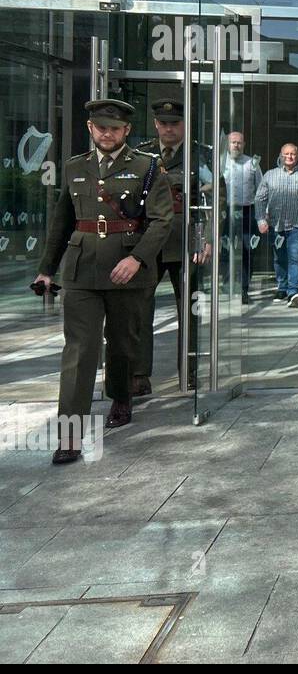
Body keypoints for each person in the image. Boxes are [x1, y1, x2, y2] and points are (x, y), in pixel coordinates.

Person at [33, 100, 173, 463]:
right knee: (79, 352)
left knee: (124, 344)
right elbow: (61, 222)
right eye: (100, 127)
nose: (106, 133)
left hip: (127, 269)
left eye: (114, 128)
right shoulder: (74, 168)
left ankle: (122, 396)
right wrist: (47, 267)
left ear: (126, 130)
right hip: (82, 271)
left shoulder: (147, 168)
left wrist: (137, 258)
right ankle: (70, 435)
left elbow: (161, 221)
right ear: (90, 128)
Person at [134, 98, 211, 394]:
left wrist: (206, 239)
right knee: (140, 311)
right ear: (155, 124)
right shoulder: (141, 156)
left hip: (186, 242)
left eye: (174, 123)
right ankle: (139, 374)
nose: (168, 129)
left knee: (189, 311)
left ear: (184, 125)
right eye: (163, 123)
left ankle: (189, 371)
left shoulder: (200, 156)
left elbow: (213, 201)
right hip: (148, 243)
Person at [254, 143, 298, 307]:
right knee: (279, 258)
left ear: (297, 157)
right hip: (275, 225)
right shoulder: (270, 175)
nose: (290, 157)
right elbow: (259, 199)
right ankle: (282, 287)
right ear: (281, 156)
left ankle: (293, 291)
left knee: (294, 257)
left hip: (297, 225)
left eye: (293, 154)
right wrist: (261, 220)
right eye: (286, 154)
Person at [222, 131, 261, 304]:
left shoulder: (252, 163)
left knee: (247, 250)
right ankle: (227, 284)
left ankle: (244, 289)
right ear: (228, 144)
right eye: (233, 142)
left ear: (244, 144)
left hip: (247, 211)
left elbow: (261, 189)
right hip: (226, 211)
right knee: (226, 249)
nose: (236, 145)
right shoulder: (220, 163)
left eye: (239, 142)